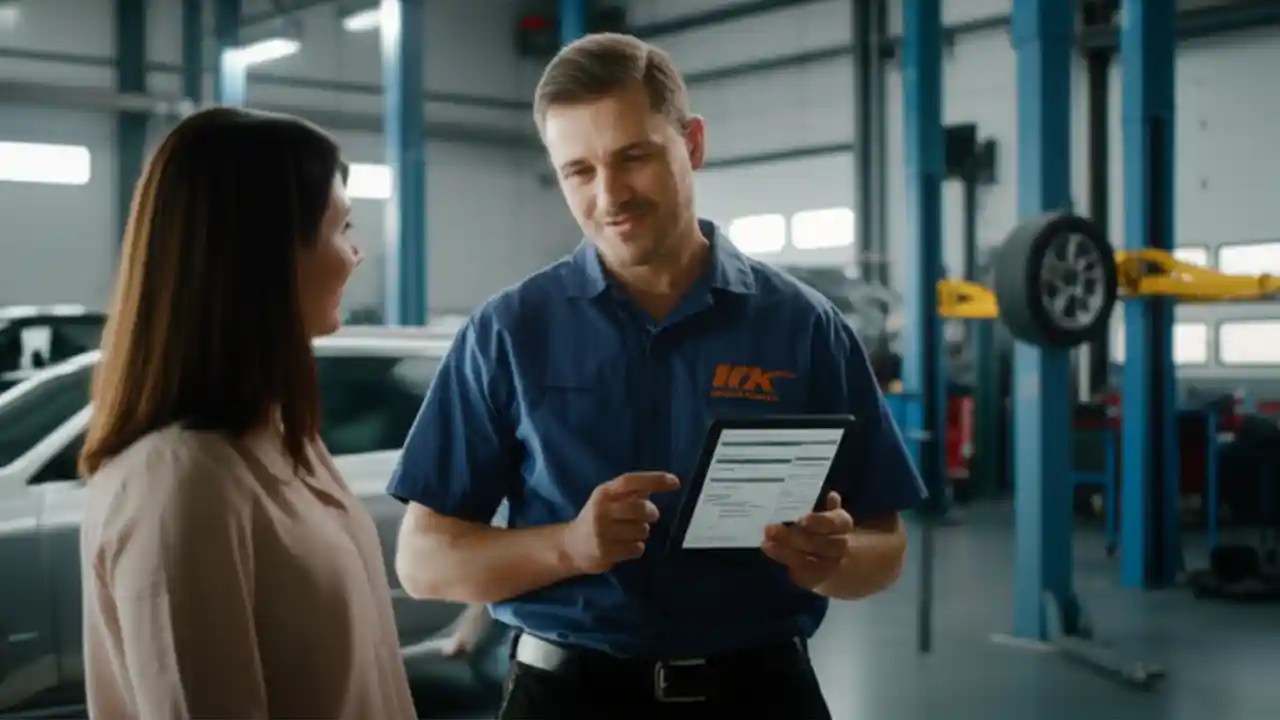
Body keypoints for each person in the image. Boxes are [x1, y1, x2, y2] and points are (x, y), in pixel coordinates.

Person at [388, 32, 927, 718]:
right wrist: (570, 546)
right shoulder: (509, 333)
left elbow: (886, 546)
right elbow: (425, 562)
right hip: (568, 697)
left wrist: (835, 556)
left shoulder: (803, 327)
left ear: (692, 143)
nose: (609, 194)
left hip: (761, 694)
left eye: (633, 157)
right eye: (578, 171)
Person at [77, 107, 417, 720]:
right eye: (341, 227)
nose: (355, 253)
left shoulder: (283, 442)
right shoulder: (180, 483)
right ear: (262, 253)